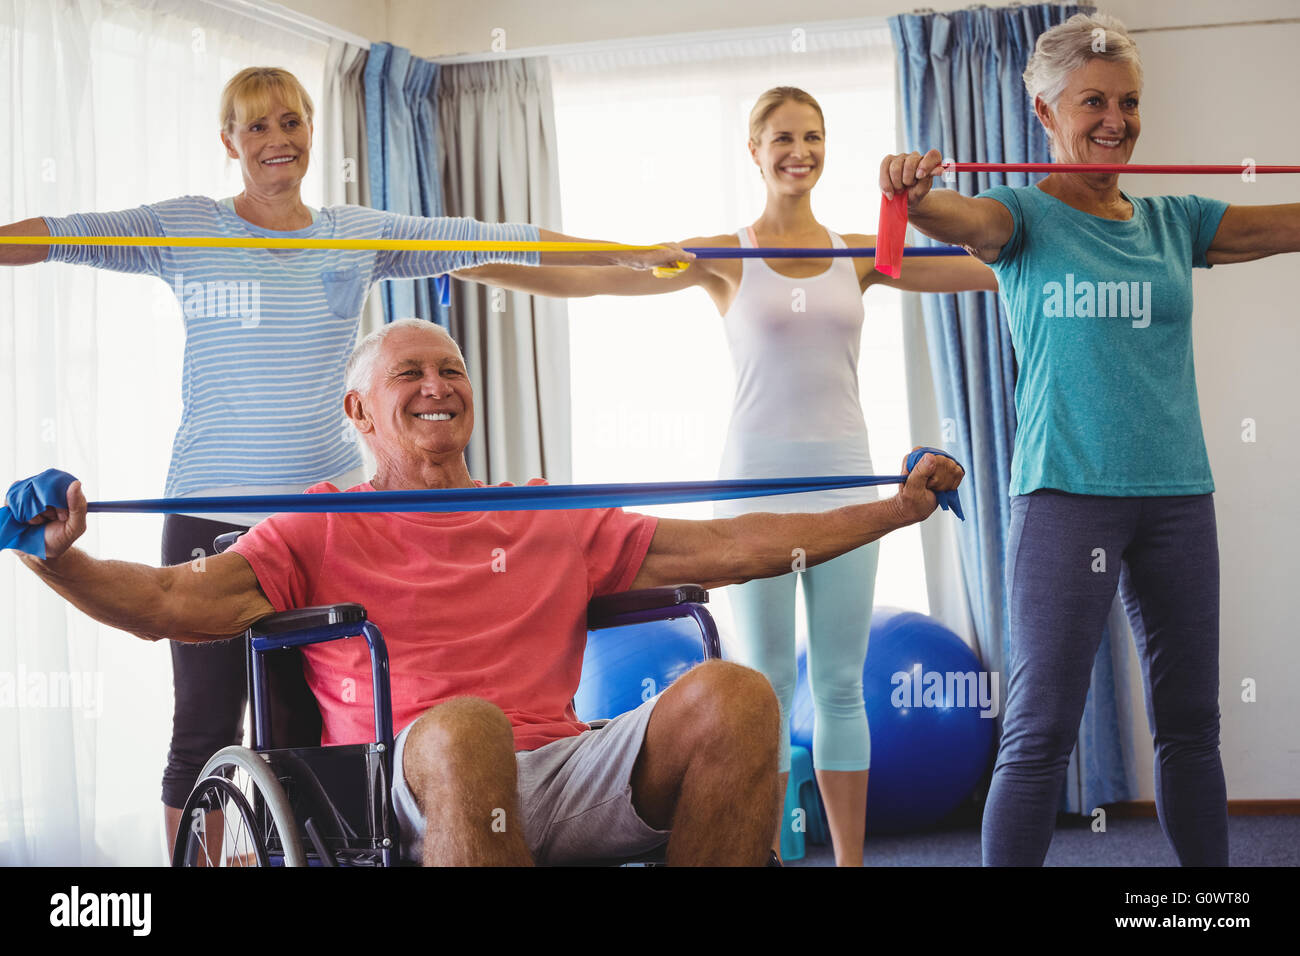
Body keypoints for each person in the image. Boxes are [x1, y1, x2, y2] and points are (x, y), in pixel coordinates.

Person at [0, 66, 688, 857]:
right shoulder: (185, 226)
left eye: (290, 122)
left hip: (318, 526)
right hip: (207, 512)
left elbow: (490, 242)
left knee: (304, 736)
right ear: (229, 140)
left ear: (311, 132)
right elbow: (61, 234)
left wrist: (627, 256)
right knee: (204, 735)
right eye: (256, 127)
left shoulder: (351, 234)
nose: (276, 141)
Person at [10, 317, 966, 866]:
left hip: (564, 769)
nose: (437, 385)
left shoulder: (548, 513)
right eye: (410, 373)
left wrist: (894, 509)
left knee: (741, 695)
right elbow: (177, 604)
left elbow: (736, 543)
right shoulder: (315, 523)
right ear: (358, 410)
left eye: (452, 369)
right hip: (410, 781)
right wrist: (58, 558)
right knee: (467, 727)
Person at [450, 87, 998, 865]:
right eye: (782, 137)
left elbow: (990, 269)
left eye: (812, 136)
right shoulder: (721, 254)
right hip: (754, 488)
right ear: (754, 150)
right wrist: (474, 265)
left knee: (841, 684)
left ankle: (847, 862)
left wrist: (1069, 243)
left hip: (847, 487)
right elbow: (598, 277)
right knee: (765, 683)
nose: (798, 151)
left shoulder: (862, 251)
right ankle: (766, 853)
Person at [879, 12, 1300, 866]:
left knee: (1191, 726)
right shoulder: (1022, 218)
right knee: (1039, 734)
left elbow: (1287, 223)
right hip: (1066, 497)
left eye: (1131, 102)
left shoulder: (1176, 221)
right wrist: (914, 198)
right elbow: (957, 222)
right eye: (1094, 101)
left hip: (1179, 496)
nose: (1117, 119)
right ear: (1045, 115)